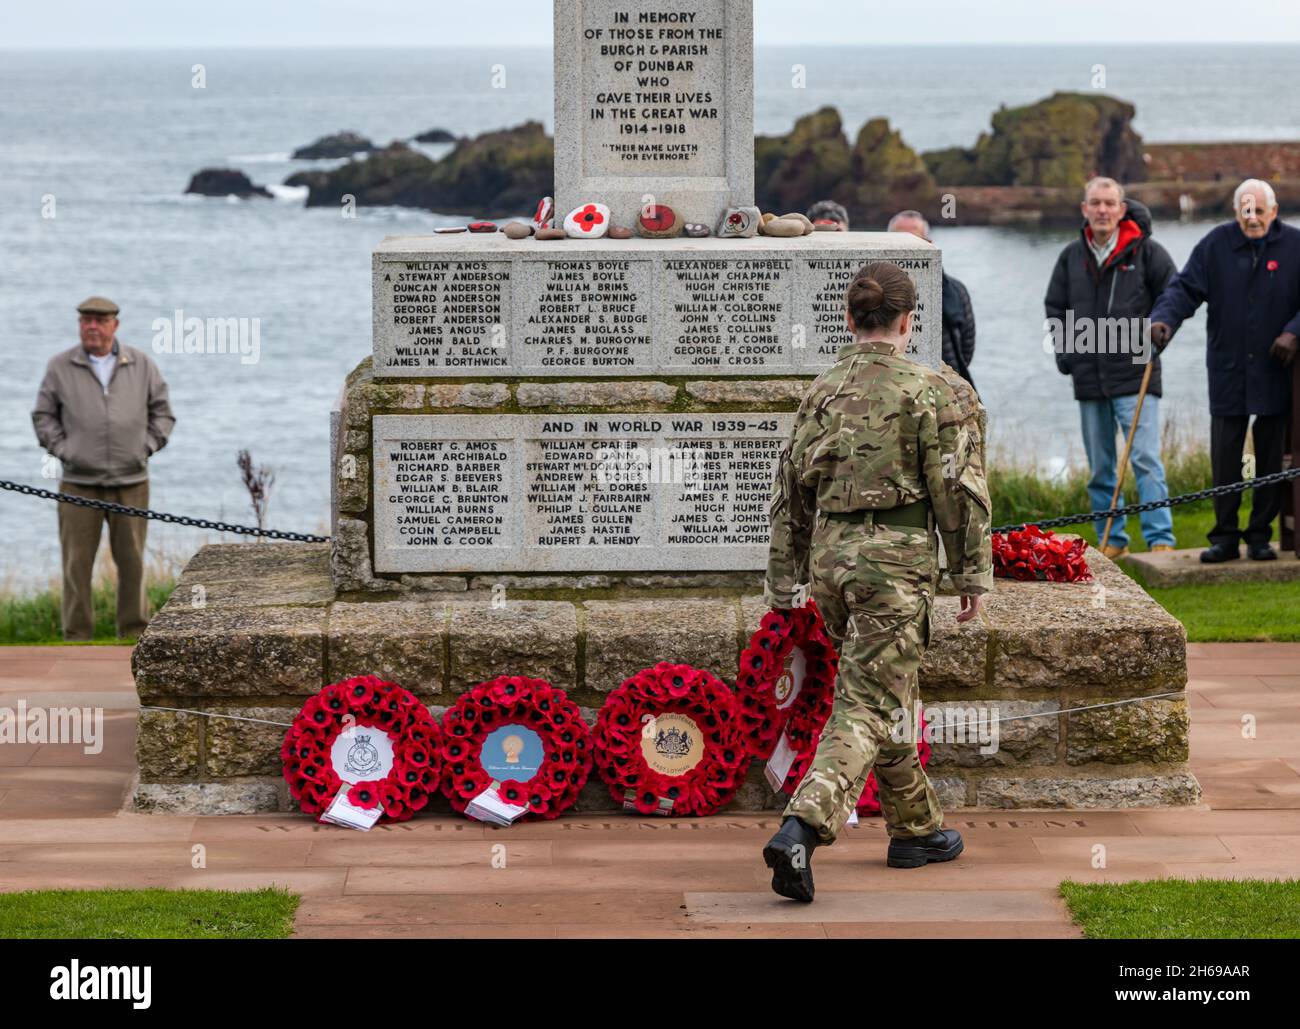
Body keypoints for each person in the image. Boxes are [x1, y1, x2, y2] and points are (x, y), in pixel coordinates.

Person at [761, 261, 993, 902]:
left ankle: (916, 829)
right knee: (865, 701)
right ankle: (802, 830)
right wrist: (971, 571)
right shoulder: (934, 389)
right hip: (896, 563)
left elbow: (789, 494)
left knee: (882, 687)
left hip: (834, 561)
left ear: (848, 319)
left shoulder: (820, 391)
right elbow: (959, 490)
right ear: (908, 322)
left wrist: (784, 578)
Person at [1150, 178, 1300, 563]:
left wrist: (1293, 332)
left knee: (1269, 455)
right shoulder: (1215, 245)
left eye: (1259, 212)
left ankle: (1260, 535)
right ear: (1236, 212)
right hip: (1228, 368)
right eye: (1245, 212)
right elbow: (1183, 289)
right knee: (1226, 455)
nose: (1253, 219)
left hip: (1275, 367)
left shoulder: (1294, 245)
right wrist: (1163, 320)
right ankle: (1225, 537)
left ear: (1274, 212)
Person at [1044, 178, 1179, 559]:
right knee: (1101, 467)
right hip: (1089, 377)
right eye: (1095, 203)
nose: (1102, 210)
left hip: (1137, 373)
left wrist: (1160, 330)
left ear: (1122, 209)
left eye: (1109, 203)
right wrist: (1064, 353)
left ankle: (1160, 538)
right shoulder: (1071, 256)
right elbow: (1055, 306)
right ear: (1084, 209)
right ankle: (1112, 540)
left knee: (1145, 460)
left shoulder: (1148, 252)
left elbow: (1174, 294)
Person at [32, 296, 176, 640]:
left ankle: (133, 635)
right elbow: (43, 416)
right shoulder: (60, 366)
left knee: (133, 563)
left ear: (115, 325)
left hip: (132, 481)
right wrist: (65, 450)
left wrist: (146, 447)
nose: (92, 327)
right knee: (76, 566)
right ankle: (76, 638)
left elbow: (163, 413)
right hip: (78, 484)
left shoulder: (141, 364)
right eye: (86, 320)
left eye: (99, 320)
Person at [888, 210, 977, 387]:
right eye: (899, 241)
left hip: (945, 386)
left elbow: (966, 347)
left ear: (929, 244)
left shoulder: (955, 290)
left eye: (913, 240)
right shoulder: (870, 290)